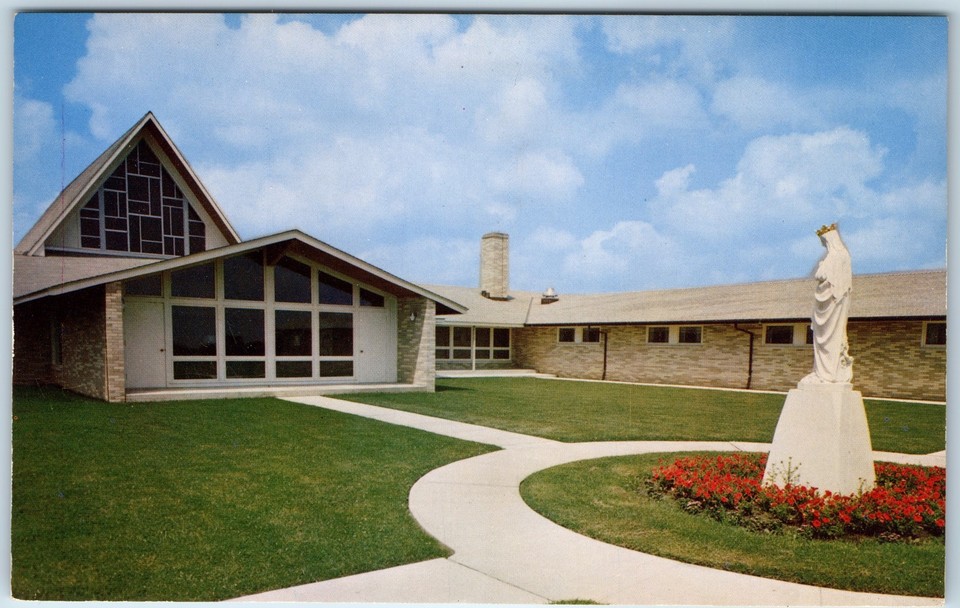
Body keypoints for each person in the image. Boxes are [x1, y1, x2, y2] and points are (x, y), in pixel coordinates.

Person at [800, 223, 853, 384]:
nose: (824, 245)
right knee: (833, 338)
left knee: (827, 340)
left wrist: (822, 266)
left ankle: (825, 374)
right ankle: (830, 372)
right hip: (837, 303)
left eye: (824, 242)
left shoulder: (834, 256)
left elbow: (820, 275)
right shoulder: (844, 256)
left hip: (831, 305)